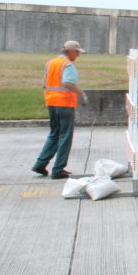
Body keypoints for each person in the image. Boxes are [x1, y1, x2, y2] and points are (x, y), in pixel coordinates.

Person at [32, 40, 88, 179]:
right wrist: (81, 93)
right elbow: (67, 82)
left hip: (51, 102)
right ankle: (58, 169)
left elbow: (45, 84)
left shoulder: (50, 63)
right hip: (65, 103)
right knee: (65, 136)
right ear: (69, 51)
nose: (78, 55)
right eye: (77, 52)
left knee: (54, 134)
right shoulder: (67, 65)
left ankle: (40, 164)